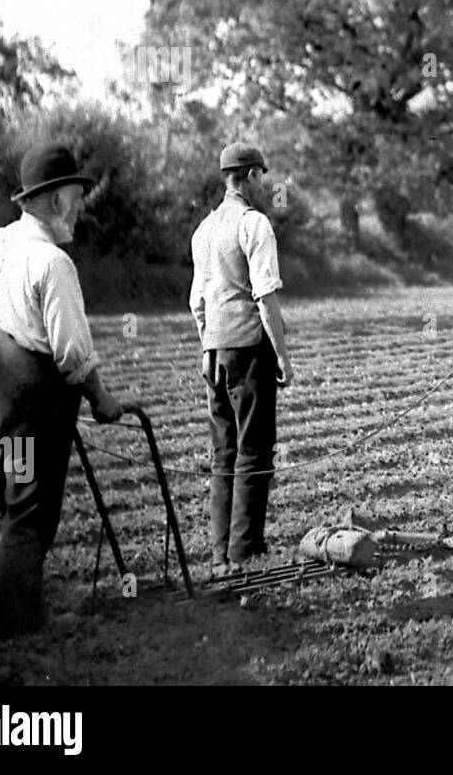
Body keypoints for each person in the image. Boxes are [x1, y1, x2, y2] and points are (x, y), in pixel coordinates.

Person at [0, 142, 127, 638]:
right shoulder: (53, 262)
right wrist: (102, 400)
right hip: (31, 405)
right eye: (76, 196)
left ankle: (24, 614)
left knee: (14, 513)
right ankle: (11, 628)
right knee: (31, 519)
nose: (78, 207)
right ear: (55, 199)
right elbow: (74, 352)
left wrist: (4, 386)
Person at [190, 142, 293, 578]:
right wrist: (283, 355)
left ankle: (219, 556)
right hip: (249, 347)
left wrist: (206, 346)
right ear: (250, 175)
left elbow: (197, 301)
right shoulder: (255, 224)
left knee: (223, 453)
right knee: (253, 450)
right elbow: (265, 297)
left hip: (214, 350)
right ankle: (244, 553)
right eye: (261, 176)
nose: (265, 183)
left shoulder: (204, 229)